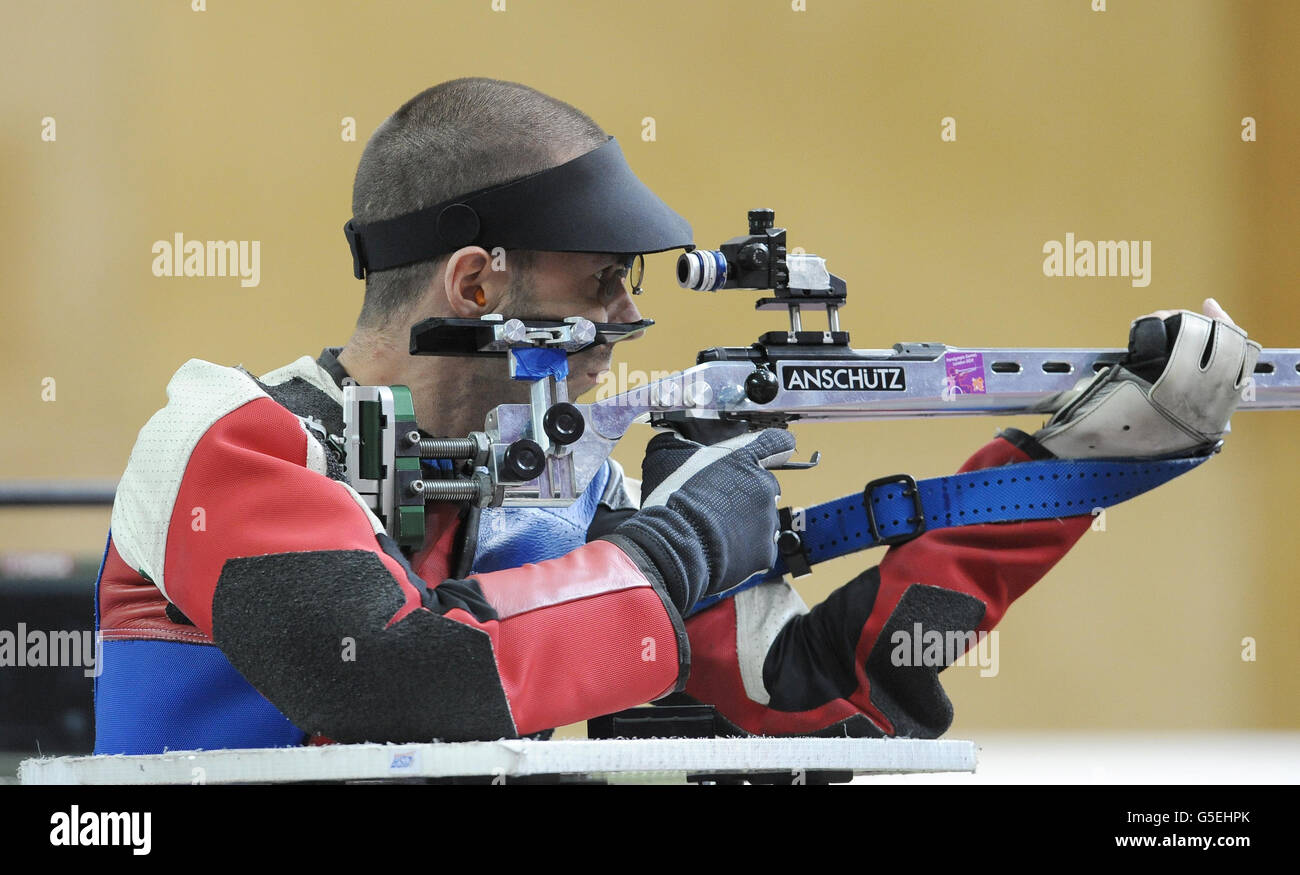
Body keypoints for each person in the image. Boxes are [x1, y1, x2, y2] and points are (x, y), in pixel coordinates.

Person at [92, 78, 1259, 754]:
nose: (626, 316)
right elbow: (397, 678)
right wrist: (679, 539)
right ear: (475, 284)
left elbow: (811, 695)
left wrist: (1057, 471)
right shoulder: (230, 440)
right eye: (601, 280)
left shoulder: (564, 480)